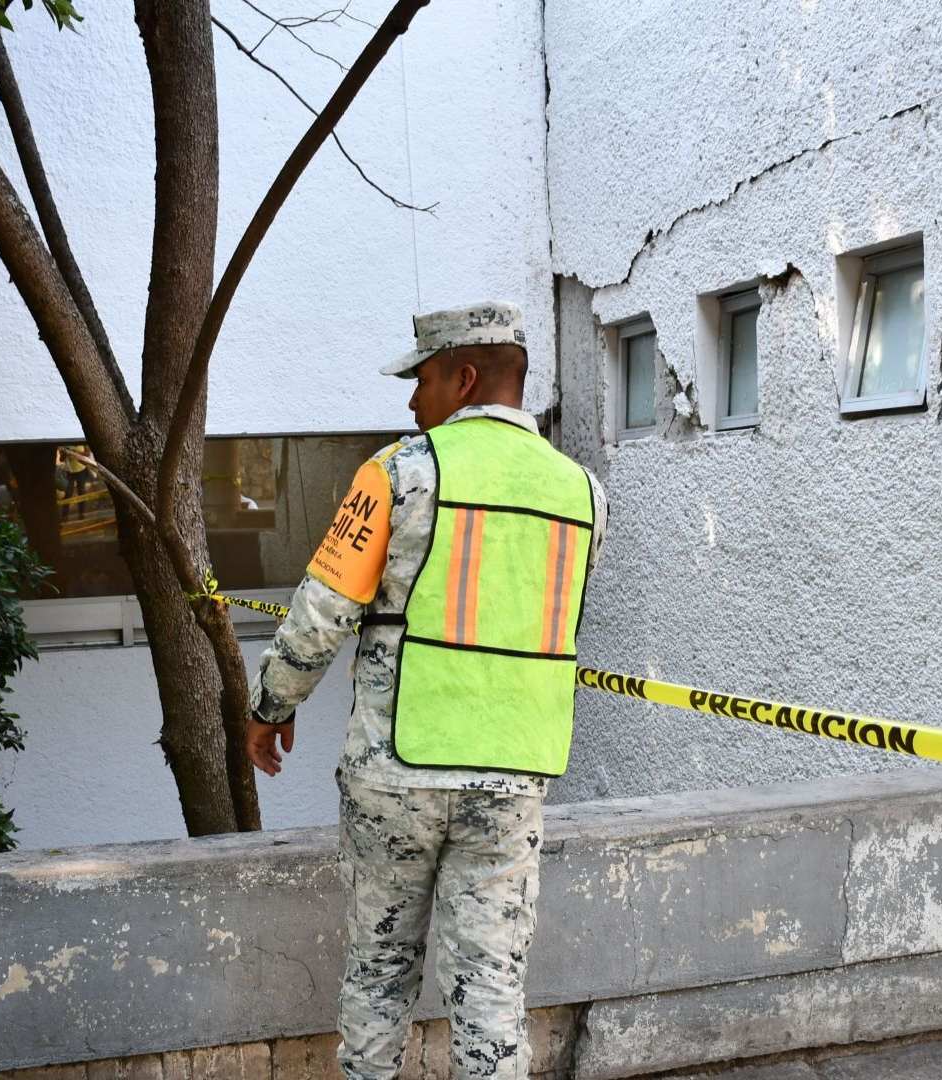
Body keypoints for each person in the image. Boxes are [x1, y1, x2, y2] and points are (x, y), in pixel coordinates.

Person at [246, 301, 607, 1080]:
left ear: (464, 378)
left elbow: (320, 614)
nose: (413, 400)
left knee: (379, 974)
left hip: (397, 771)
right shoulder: (583, 493)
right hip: (512, 775)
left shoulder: (397, 473)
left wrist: (271, 706)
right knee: (492, 994)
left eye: (423, 380)